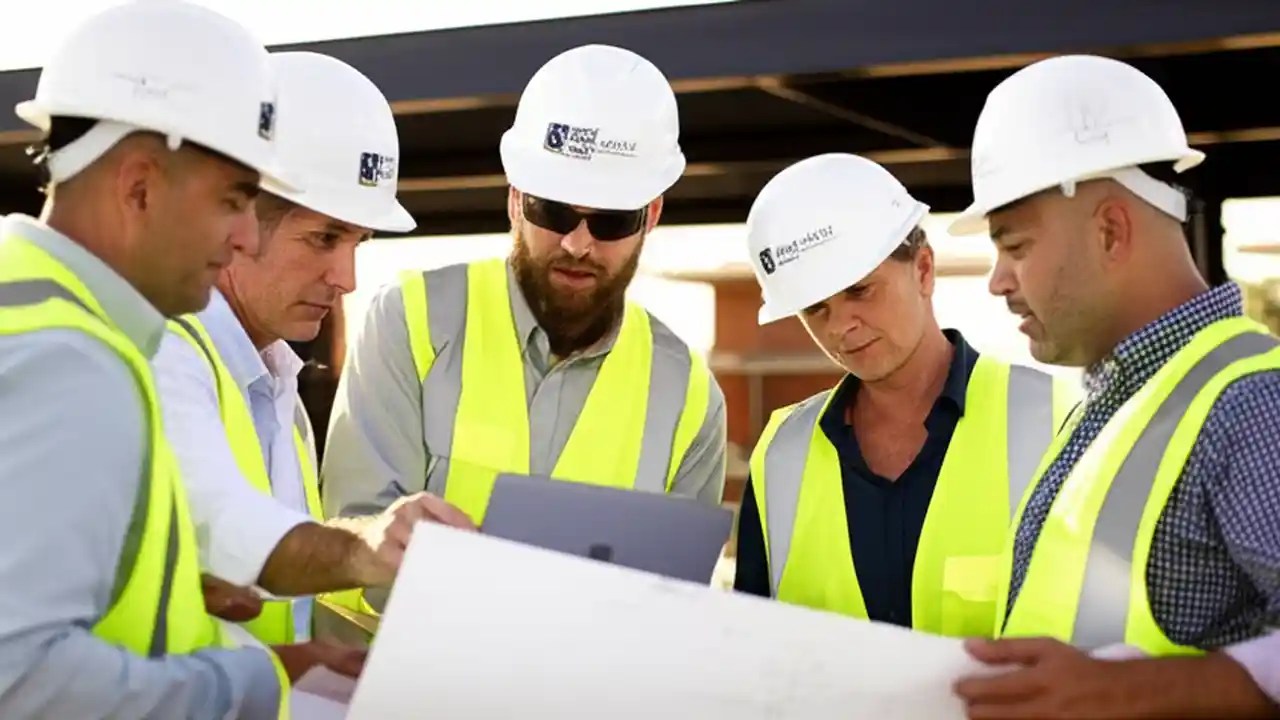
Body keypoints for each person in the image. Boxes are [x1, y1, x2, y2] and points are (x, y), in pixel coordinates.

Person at [321, 43, 727, 613]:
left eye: (611, 222)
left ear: (651, 216)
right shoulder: (410, 322)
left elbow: (673, 603)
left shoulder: (688, 395)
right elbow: (359, 543)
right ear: (515, 199)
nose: (577, 243)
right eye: (553, 211)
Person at [948, 54, 1280, 718]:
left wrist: (1130, 691)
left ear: (1110, 230)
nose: (997, 281)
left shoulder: (1251, 402)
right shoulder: (1113, 405)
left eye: (1015, 246)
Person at [0, 1, 295, 716]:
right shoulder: (71, 363)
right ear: (139, 187)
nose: (247, 238)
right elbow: (20, 678)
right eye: (234, 200)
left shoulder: (27, 310)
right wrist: (257, 684)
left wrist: (158, 581)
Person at [151, 49, 474, 665]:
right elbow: (228, 528)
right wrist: (367, 547)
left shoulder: (279, 389)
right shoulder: (163, 354)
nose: (346, 277)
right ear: (239, 216)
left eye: (357, 242)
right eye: (324, 238)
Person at [733, 152, 1076, 637]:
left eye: (860, 291)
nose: (841, 326)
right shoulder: (781, 456)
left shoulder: (1053, 421)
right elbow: (751, 645)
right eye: (816, 309)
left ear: (924, 269)